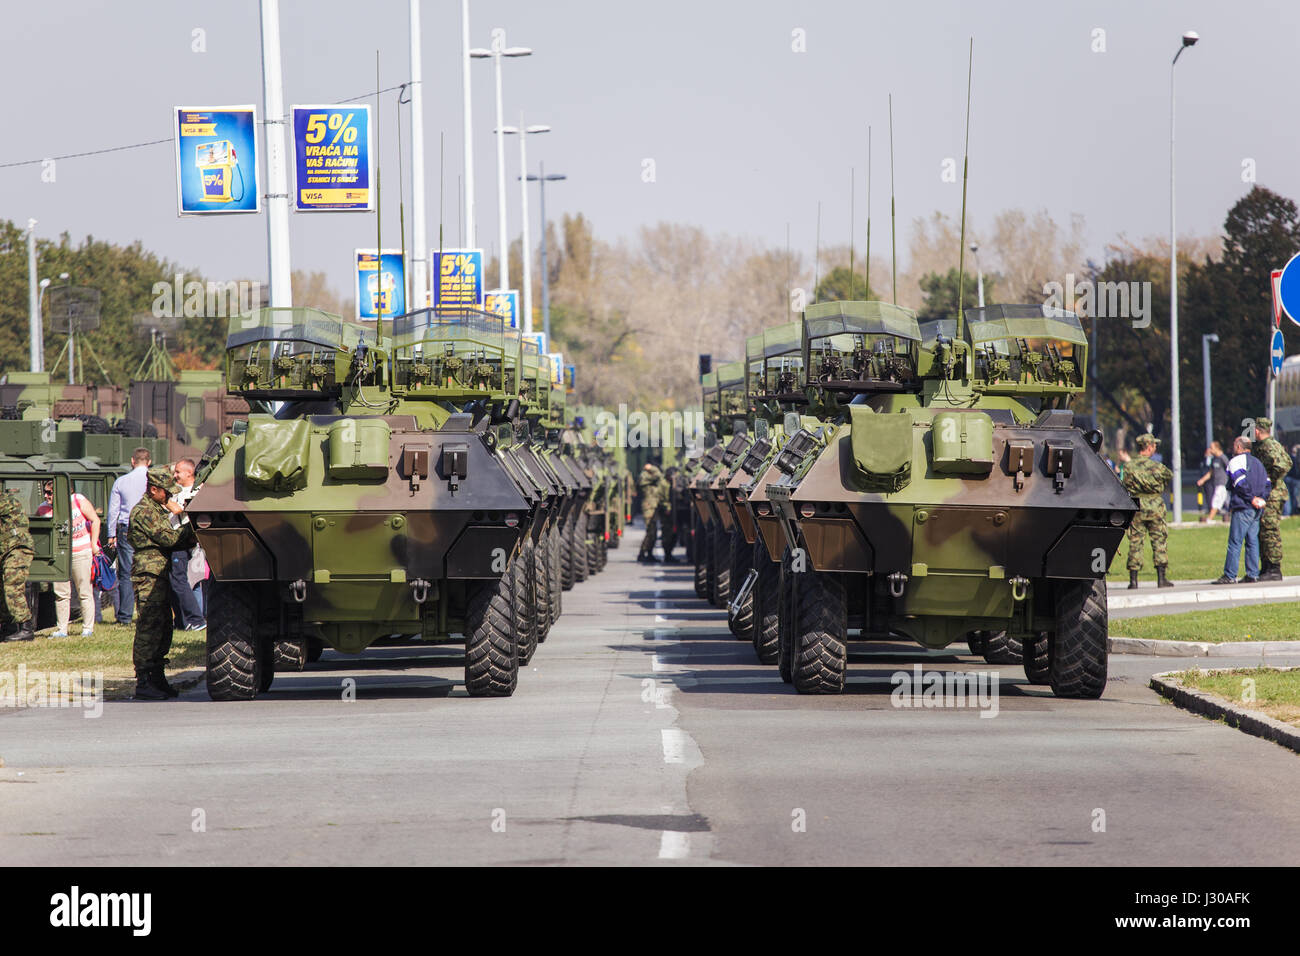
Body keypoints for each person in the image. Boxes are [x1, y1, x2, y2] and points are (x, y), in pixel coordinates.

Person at [127, 467, 195, 701]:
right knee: (149, 626)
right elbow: (170, 538)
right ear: (153, 489)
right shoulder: (145, 512)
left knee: (164, 625)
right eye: (166, 493)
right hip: (148, 574)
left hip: (158, 572)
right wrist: (191, 522)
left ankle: (157, 676)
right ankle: (144, 680)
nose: (169, 497)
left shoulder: (156, 508)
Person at [39, 481, 101, 638]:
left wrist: (94, 543)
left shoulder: (78, 500)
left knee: (84, 591)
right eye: (45, 492)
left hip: (81, 552)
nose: (46, 496)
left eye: (50, 492)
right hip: (59, 556)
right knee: (61, 593)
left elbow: (95, 520)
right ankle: (62, 629)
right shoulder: (43, 509)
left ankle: (88, 628)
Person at [1213, 436, 1269, 585]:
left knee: (1235, 542)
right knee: (1252, 541)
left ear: (1239, 447)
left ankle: (1230, 575)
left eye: (1234, 445)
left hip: (1244, 506)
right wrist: (1261, 499)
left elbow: (1239, 483)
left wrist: (1251, 499)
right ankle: (1252, 574)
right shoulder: (1259, 463)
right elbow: (1268, 484)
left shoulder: (1236, 461)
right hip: (1257, 508)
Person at [1121, 434, 1174, 589]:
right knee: (1159, 540)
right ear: (1149, 447)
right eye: (1154, 446)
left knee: (1135, 542)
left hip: (1137, 506)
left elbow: (1125, 485)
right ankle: (1161, 578)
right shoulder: (1157, 466)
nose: (1155, 449)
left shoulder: (1129, 466)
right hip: (1155, 506)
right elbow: (1169, 476)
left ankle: (1133, 581)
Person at [108, 447, 151, 625]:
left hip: (127, 528)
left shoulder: (121, 481)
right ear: (149, 462)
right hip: (150, 527)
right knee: (149, 570)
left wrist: (111, 534)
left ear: (132, 461)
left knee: (126, 573)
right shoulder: (153, 479)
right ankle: (148, 613)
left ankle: (125, 616)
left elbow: (113, 510)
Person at [1252, 417, 1292, 581]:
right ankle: (1267, 566)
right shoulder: (1267, 445)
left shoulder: (1269, 445)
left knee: (1270, 530)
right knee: (1263, 530)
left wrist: (1269, 478)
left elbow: (1284, 465)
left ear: (1257, 430)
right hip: (1268, 493)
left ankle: (1274, 568)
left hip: (1273, 494)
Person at [168, 458, 205, 631]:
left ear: (189, 473)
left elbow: (180, 510)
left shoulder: (197, 491)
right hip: (173, 540)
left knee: (179, 581)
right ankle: (182, 622)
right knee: (173, 581)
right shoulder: (178, 491)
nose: (175, 475)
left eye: (178, 472)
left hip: (183, 541)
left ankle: (197, 620)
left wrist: (163, 500)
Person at [0, 487, 35, 642]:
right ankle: (9, 627)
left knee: (12, 586)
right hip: (8, 550)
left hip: (17, 549)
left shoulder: (5, 501)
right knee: (3, 588)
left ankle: (26, 628)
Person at [637, 461, 666, 563]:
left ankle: (648, 553)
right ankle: (642, 553)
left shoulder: (651, 478)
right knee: (651, 531)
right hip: (648, 507)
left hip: (653, 507)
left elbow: (659, 477)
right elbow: (658, 475)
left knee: (653, 532)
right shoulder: (644, 476)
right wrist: (651, 469)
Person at [1195, 441, 1230, 523]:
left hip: (1223, 484)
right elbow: (1211, 472)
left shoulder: (1223, 458)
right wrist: (1202, 480)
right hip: (1216, 483)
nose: (1210, 450)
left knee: (1216, 501)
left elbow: (1230, 469)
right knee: (1228, 502)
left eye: (1211, 448)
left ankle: (1210, 519)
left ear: (1217, 448)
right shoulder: (1214, 459)